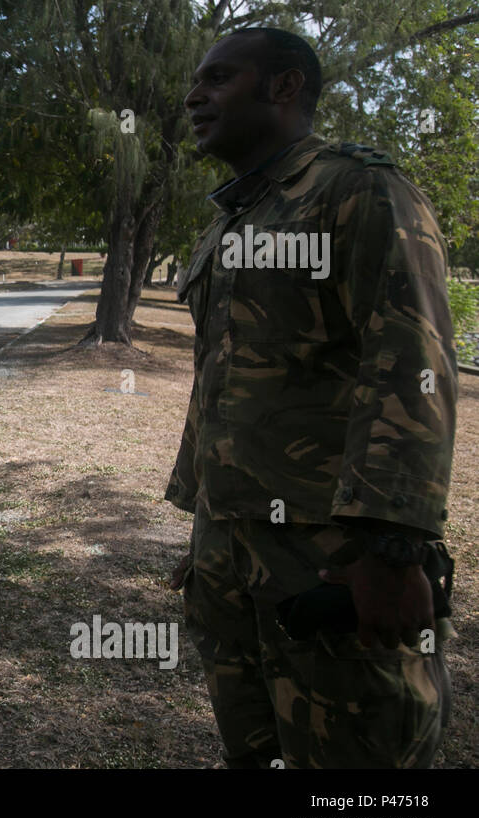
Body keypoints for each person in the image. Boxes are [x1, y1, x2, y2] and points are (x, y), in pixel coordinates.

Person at [167, 27, 456, 768]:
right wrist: (201, 519)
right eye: (197, 82)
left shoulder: (359, 191)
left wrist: (393, 548)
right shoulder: (231, 219)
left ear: (286, 86)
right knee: (254, 752)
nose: (194, 96)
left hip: (335, 563)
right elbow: (219, 376)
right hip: (234, 554)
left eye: (219, 78)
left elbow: (412, 364)